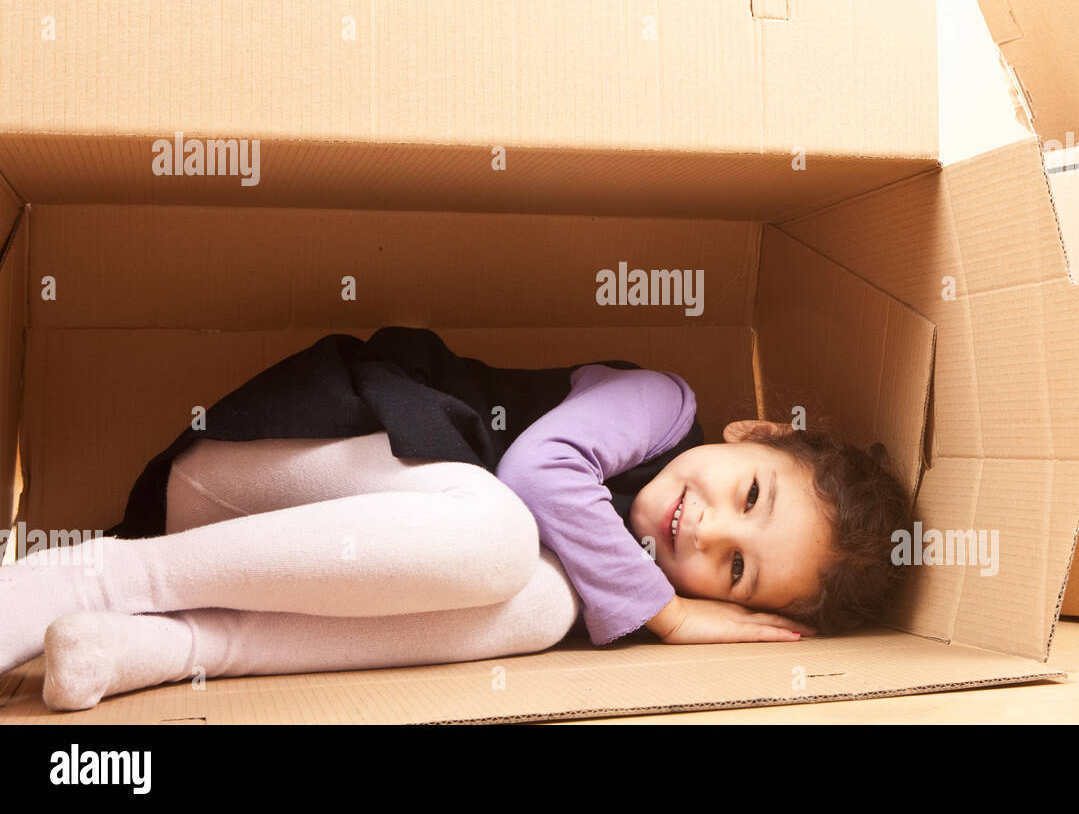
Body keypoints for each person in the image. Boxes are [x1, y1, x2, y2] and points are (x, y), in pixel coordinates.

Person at [0, 329, 910, 711]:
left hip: (264, 561)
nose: (708, 530)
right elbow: (539, 470)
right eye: (751, 494)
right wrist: (669, 612)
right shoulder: (660, 404)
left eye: (736, 571)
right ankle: (89, 575)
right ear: (755, 432)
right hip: (263, 466)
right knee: (506, 532)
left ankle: (177, 646)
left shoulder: (592, 596)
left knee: (541, 609)